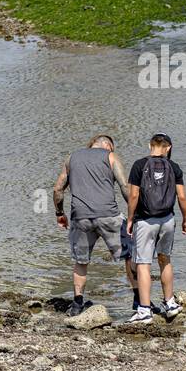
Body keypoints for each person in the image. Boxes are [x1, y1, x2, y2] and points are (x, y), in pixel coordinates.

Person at [53, 135, 135, 317]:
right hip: (109, 215)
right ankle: (139, 300)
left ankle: (77, 303)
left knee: (81, 261)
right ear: (107, 145)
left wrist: (60, 214)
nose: (112, 151)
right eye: (112, 148)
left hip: (80, 217)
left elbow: (58, 189)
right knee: (130, 253)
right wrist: (133, 214)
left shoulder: (71, 157)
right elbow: (124, 186)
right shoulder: (110, 157)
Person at [125, 133, 186, 325]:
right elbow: (182, 197)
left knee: (143, 263)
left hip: (145, 220)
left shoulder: (138, 165)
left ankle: (144, 310)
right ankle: (170, 304)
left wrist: (129, 219)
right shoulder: (174, 167)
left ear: (150, 145)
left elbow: (134, 195)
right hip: (168, 219)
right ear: (168, 148)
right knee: (164, 259)